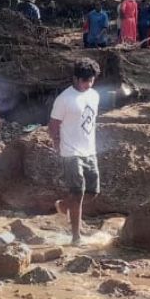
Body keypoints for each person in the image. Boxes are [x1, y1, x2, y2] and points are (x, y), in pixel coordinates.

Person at [49, 58, 101, 246]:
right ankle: (76, 237)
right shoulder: (64, 99)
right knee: (77, 191)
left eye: (91, 80)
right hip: (70, 151)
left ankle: (64, 205)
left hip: (89, 149)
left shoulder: (94, 95)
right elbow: (53, 124)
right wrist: (56, 143)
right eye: (85, 80)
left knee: (92, 191)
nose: (88, 84)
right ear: (76, 79)